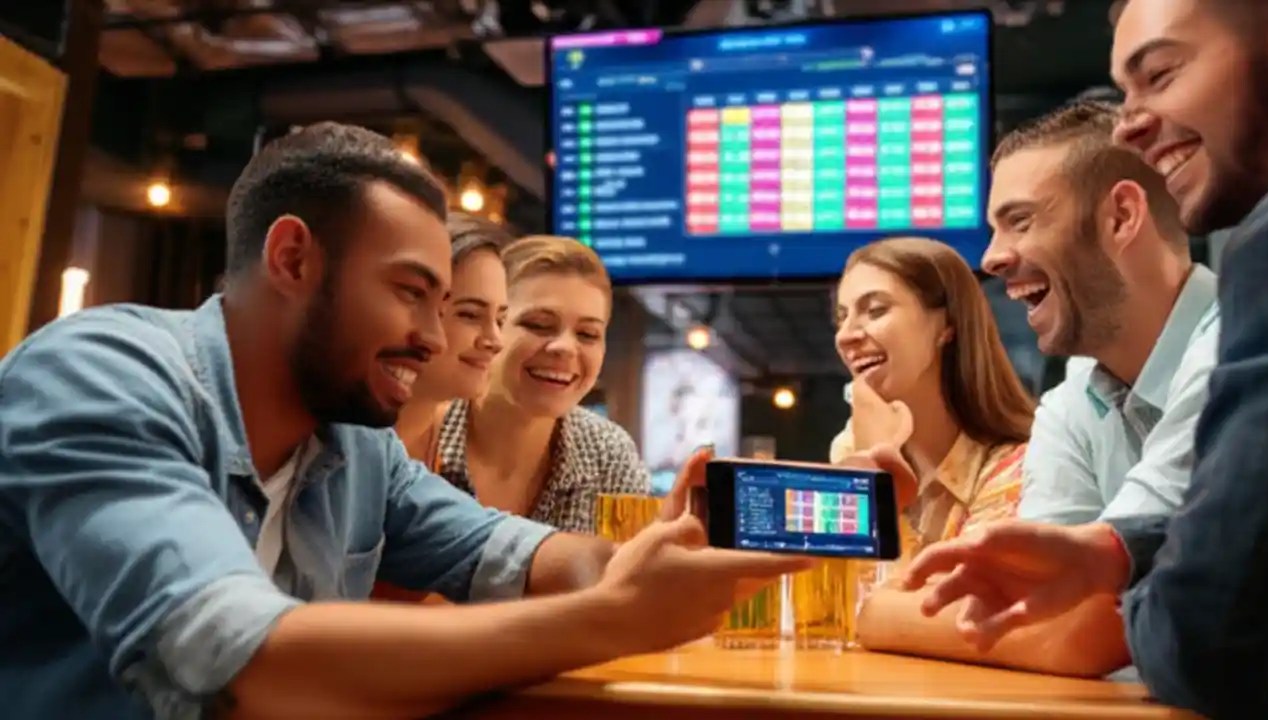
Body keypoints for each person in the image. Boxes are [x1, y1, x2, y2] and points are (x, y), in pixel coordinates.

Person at [0, 122, 808, 719]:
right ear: (292, 260)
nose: (435, 337)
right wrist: (608, 617)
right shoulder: (103, 373)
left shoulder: (351, 445)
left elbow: (511, 550)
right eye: (412, 293)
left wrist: (643, 560)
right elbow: (241, 660)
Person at [901, 0, 1268, 715]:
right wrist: (1114, 565)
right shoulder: (1074, 396)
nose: (987, 259)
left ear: (1121, 217)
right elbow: (1031, 608)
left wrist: (876, 613)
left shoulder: (1248, 292)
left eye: (1160, 73)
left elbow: (1190, 633)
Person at [825, 237, 1086, 671]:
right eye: (843, 315)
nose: (847, 334)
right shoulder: (850, 450)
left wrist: (882, 477)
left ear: (947, 325)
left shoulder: (1020, 465)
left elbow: (948, 616)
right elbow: (834, 613)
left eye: (875, 310)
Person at [984, 100, 1218, 526]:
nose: (991, 258)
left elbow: (1115, 555)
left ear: (1121, 217)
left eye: (1020, 221)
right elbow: (1047, 579)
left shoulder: (1241, 348)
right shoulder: (1071, 406)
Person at [432, 235, 650, 534]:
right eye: (538, 325)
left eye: (587, 334)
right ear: (493, 327)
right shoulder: (420, 432)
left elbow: (631, 574)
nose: (565, 347)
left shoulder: (610, 454)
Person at [395, 212, 513, 465]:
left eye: (500, 320)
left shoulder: (468, 447)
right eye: (470, 315)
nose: (495, 341)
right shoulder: (334, 438)